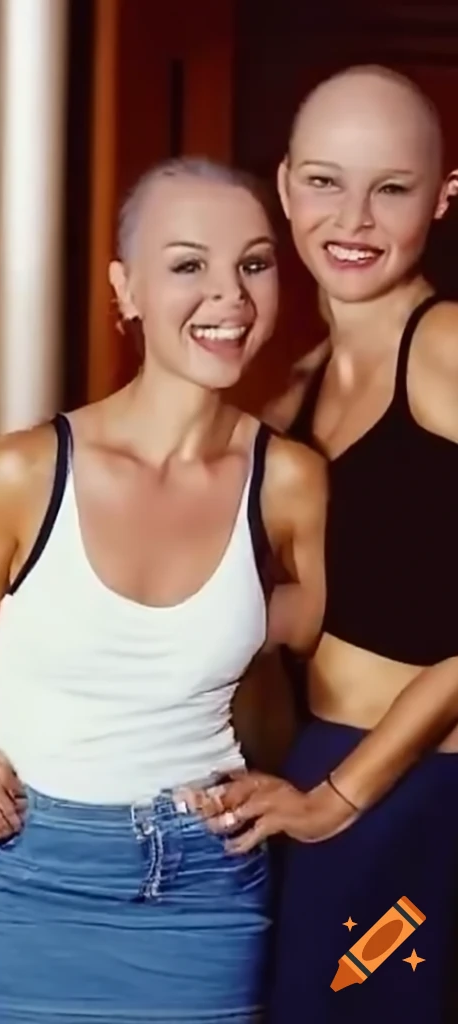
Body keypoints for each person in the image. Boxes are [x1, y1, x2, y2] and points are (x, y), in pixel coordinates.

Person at [0, 157, 328, 1024]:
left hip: (210, 886)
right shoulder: (23, 470)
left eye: (253, 264)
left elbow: (337, 654)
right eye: (188, 265)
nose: (230, 296)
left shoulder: (290, 485)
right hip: (28, 867)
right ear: (125, 289)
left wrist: (316, 800)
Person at [193, 66, 458, 1023]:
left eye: (391, 187)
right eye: (323, 181)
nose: (352, 217)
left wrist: (344, 796)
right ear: (284, 183)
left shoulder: (447, 347)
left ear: (443, 193)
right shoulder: (293, 389)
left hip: (423, 784)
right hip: (322, 760)